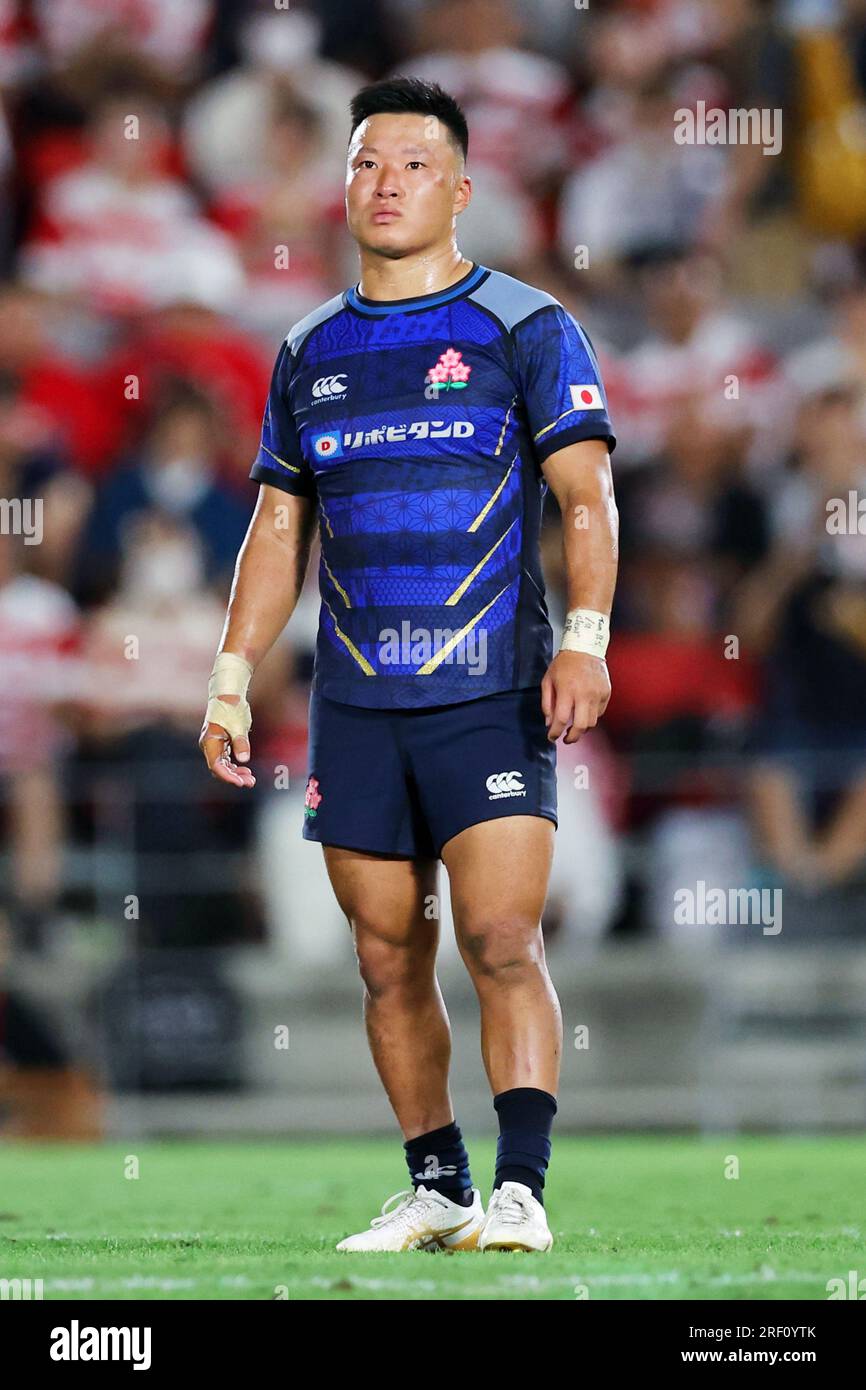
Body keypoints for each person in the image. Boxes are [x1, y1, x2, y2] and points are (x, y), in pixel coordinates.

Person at [200, 77, 618, 1254]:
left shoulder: (524, 326)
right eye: (366, 164)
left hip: (489, 685)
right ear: (341, 186)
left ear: (461, 190)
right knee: (385, 951)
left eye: (413, 165)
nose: (385, 184)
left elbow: (585, 495)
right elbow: (279, 529)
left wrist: (585, 641)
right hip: (354, 698)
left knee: (499, 937)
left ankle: (521, 1191)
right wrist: (230, 677)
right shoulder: (307, 349)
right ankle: (437, 1186)